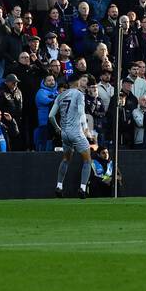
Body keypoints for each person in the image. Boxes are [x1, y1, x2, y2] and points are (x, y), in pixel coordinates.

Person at [51, 69, 92, 198]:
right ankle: (82, 188)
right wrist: (86, 128)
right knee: (87, 160)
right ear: (77, 82)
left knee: (66, 159)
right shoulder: (79, 95)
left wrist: (58, 128)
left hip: (64, 133)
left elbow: (51, 116)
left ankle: (59, 186)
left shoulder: (60, 96)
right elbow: (81, 113)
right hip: (76, 132)